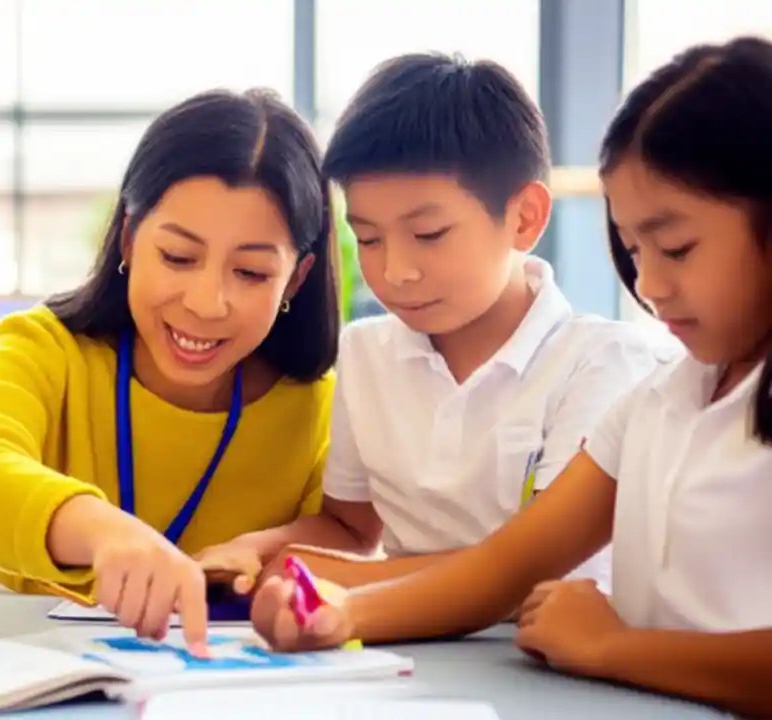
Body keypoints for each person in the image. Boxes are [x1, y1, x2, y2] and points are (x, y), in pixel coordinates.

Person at [251, 37, 772, 719]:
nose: (648, 282)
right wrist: (342, 614)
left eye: (676, 247)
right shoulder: (659, 400)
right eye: (633, 247)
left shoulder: (611, 367)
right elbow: (507, 566)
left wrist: (614, 647)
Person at [201, 53, 671, 593]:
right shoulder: (366, 352)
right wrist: (256, 548)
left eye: (428, 235)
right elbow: (351, 528)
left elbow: (536, 568)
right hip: (405, 649)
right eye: (369, 238)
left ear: (525, 218)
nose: (395, 271)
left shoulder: (602, 362)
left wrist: (346, 581)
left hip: (541, 655)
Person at [0, 89, 341, 656]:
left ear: (295, 280)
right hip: (20, 673)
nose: (206, 302)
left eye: (250, 272)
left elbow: (346, 537)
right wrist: (104, 533)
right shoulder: (44, 348)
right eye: (177, 257)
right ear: (128, 238)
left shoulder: (318, 405)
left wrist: (264, 547)